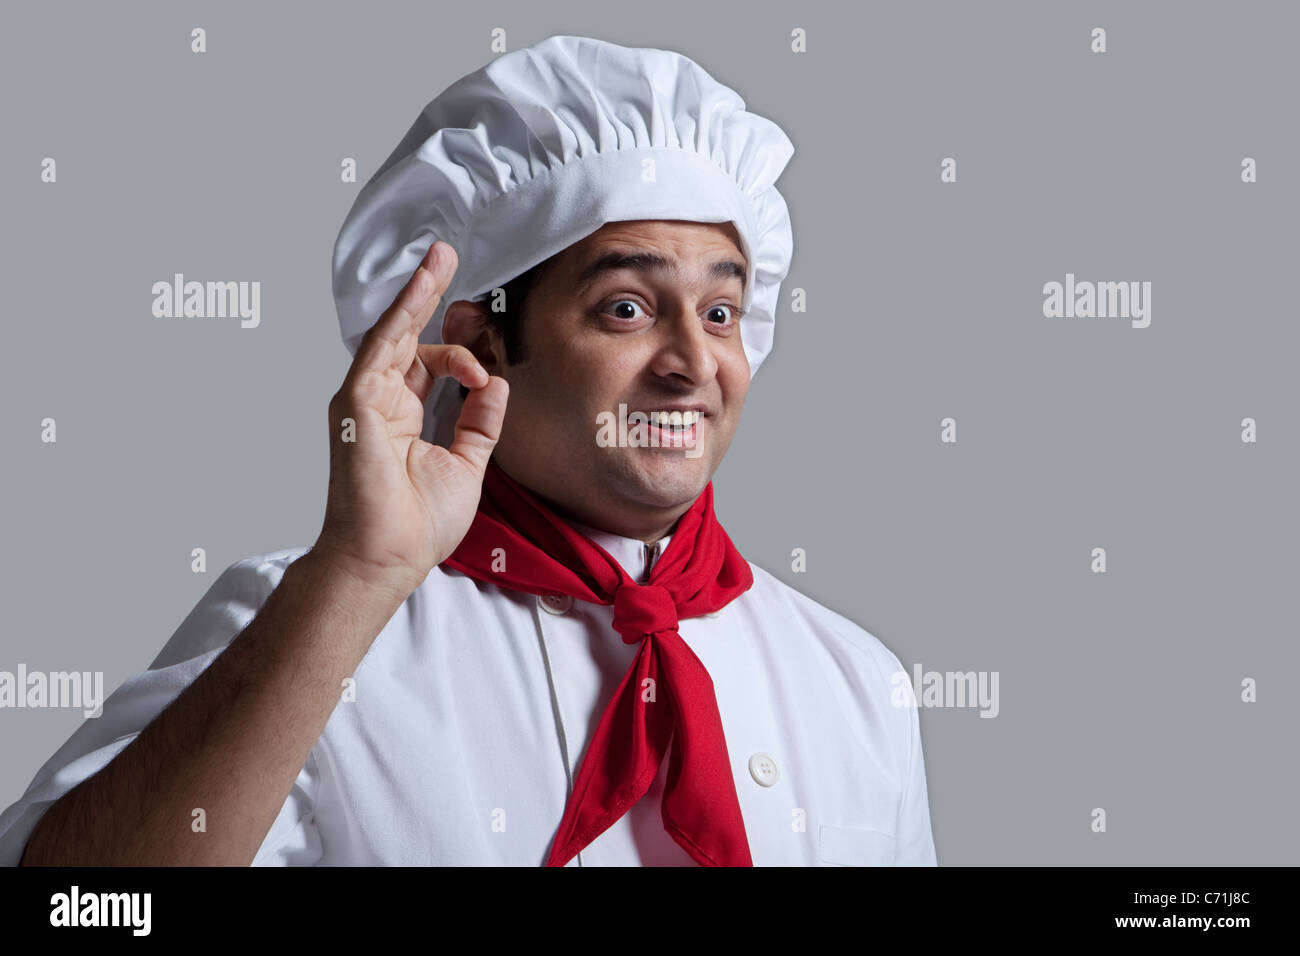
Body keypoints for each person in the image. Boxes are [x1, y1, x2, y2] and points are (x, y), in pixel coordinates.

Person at [1, 35, 937, 867]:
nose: (694, 362)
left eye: (722, 312)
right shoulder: (318, 628)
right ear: (483, 347)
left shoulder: (856, 680)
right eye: (627, 308)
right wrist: (361, 573)